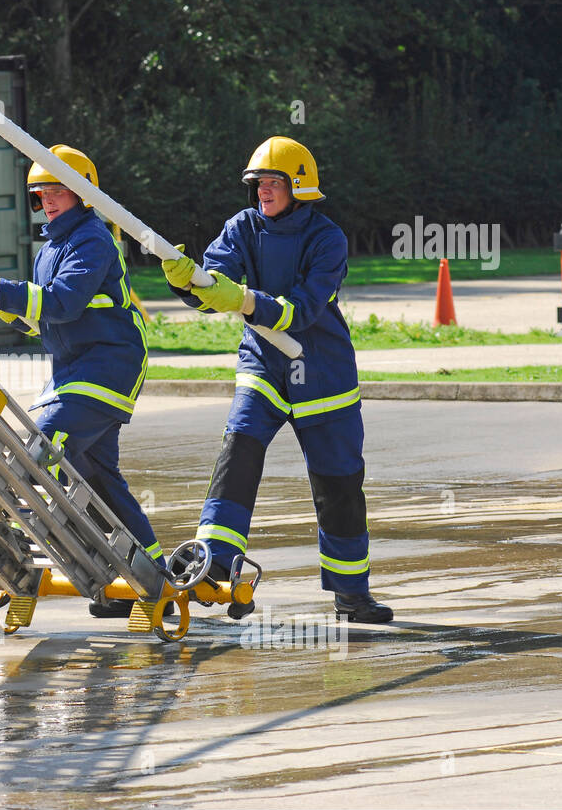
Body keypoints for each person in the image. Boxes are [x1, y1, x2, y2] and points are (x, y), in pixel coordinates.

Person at [164, 135, 392, 623]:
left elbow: (304, 309)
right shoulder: (242, 227)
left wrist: (245, 301)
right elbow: (216, 281)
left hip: (322, 371)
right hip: (263, 363)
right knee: (238, 452)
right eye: (259, 183)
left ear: (299, 187)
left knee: (339, 486)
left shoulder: (327, 238)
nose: (264, 191)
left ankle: (352, 594)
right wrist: (189, 283)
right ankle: (213, 564)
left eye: (274, 182)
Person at [0, 144, 166, 619]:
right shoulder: (51, 246)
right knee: (97, 478)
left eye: (57, 192)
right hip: (73, 371)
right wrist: (5, 303)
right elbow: (44, 318)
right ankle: (148, 575)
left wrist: (3, 291)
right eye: (40, 194)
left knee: (41, 447)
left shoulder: (93, 239)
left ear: (83, 195)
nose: (48, 202)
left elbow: (65, 302)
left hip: (107, 369)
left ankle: (34, 538)